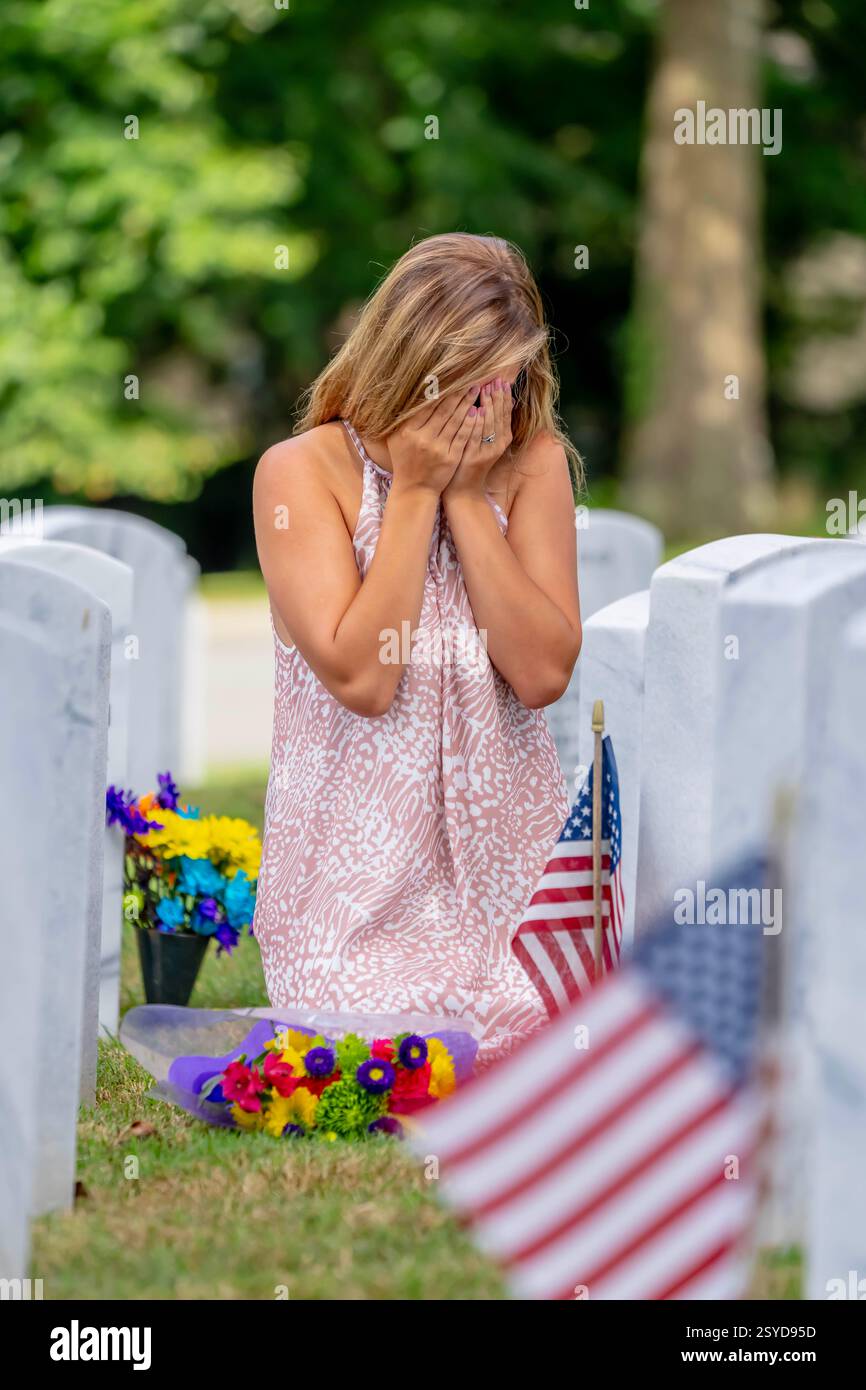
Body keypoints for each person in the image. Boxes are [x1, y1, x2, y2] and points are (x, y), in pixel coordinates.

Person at [252, 232, 582, 1065]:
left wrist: (468, 500)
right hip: (352, 887)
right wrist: (417, 493)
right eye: (466, 376)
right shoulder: (301, 473)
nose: (485, 399)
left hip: (507, 872)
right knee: (376, 1052)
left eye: (502, 375)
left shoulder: (532, 461)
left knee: (550, 1048)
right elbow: (363, 677)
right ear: (409, 361)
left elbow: (543, 672)